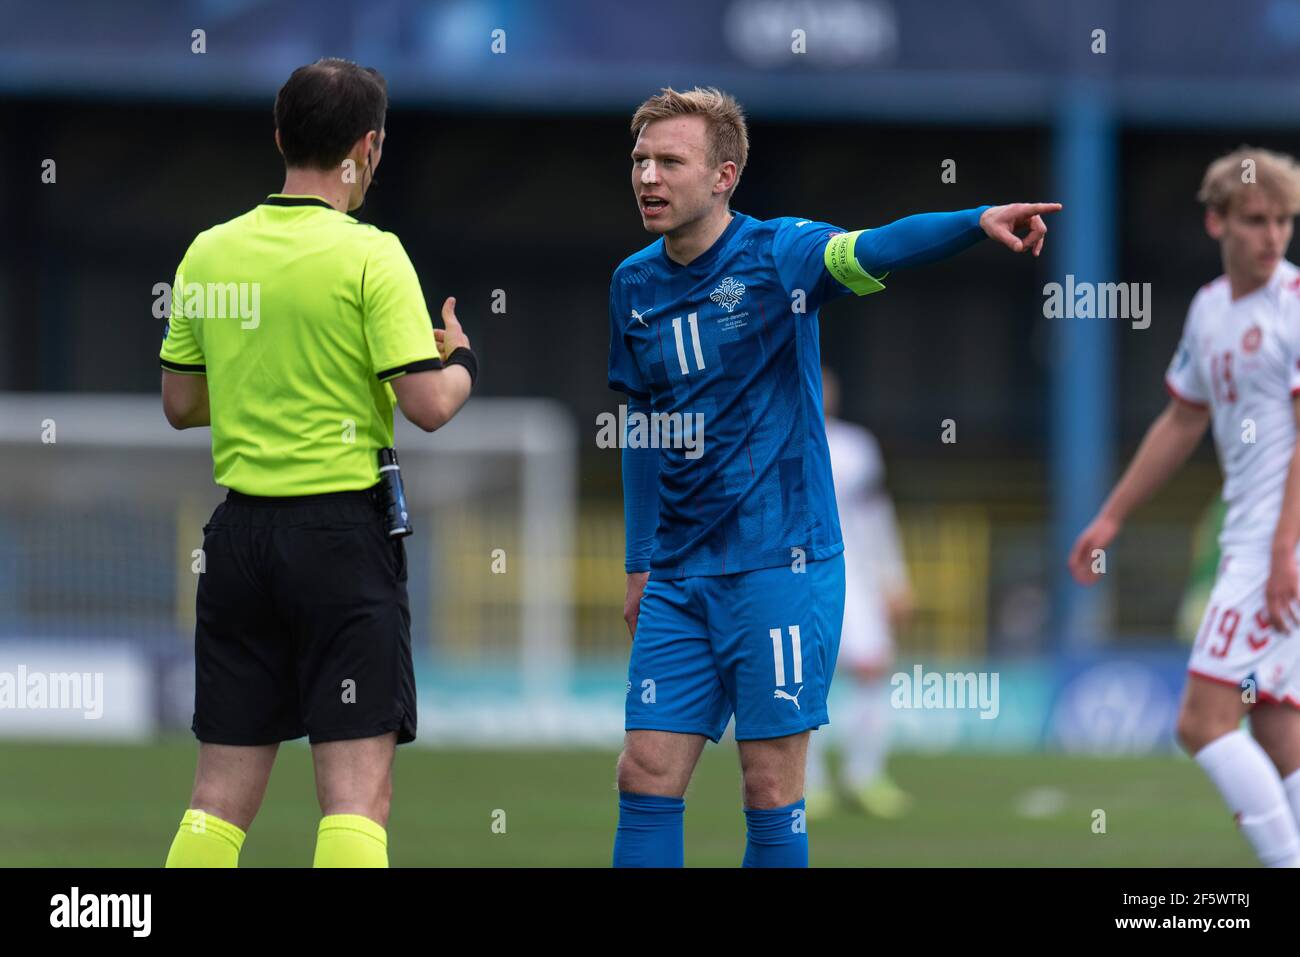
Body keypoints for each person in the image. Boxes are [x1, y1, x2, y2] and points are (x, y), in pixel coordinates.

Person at [609, 85, 1059, 867]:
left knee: (768, 783)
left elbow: (879, 246)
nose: (649, 177)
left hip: (780, 564)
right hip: (679, 573)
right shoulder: (633, 284)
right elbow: (642, 431)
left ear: (724, 176)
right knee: (644, 771)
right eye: (641, 160)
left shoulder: (781, 255)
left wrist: (973, 221)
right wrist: (640, 558)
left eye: (669, 161)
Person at [159, 58, 477, 867]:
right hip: (341, 538)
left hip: (237, 542)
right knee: (355, 798)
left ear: (279, 137)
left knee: (215, 803)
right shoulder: (372, 256)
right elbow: (429, 407)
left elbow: (181, 405)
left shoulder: (208, 250)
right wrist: (465, 360)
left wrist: (261, 374)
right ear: (366, 149)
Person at [1069, 147, 1300, 867]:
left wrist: (1282, 549)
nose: (1272, 236)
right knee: (1276, 726)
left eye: (1284, 221)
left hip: (1276, 538)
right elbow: (1181, 421)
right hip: (1259, 537)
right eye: (1256, 220)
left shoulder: (1293, 305)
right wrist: (1112, 514)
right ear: (1216, 221)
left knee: (1202, 722)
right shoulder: (1208, 310)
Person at [805, 367, 913, 819]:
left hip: (852, 578)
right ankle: (807, 785)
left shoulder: (855, 446)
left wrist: (895, 577)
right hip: (793, 579)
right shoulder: (771, 438)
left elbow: (875, 517)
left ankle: (863, 776)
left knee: (872, 668)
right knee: (801, 680)